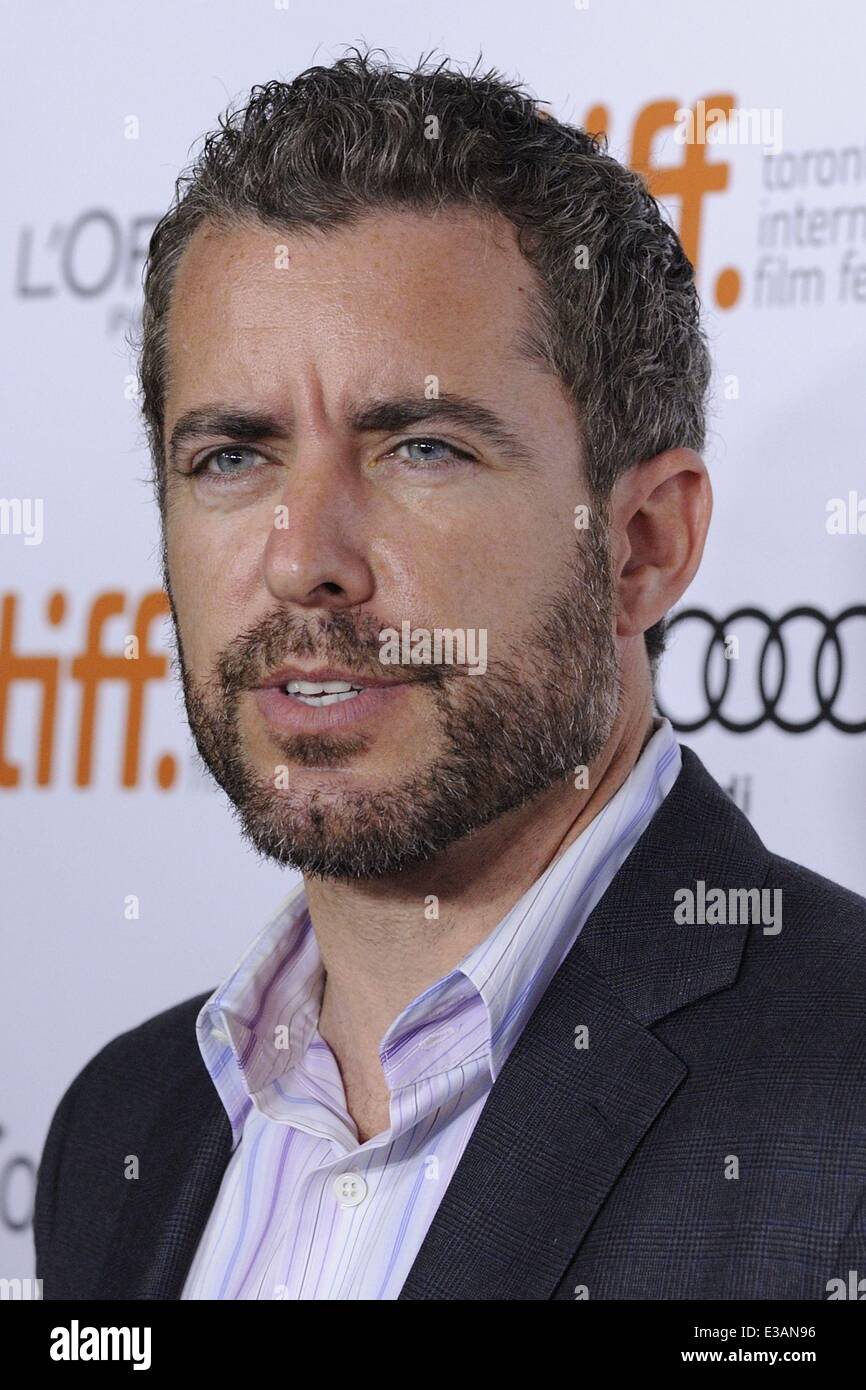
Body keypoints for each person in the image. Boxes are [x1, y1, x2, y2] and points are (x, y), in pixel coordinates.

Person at [33, 48, 866, 1301]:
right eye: (230, 458)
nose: (302, 560)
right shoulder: (120, 1131)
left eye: (420, 448)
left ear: (642, 545)